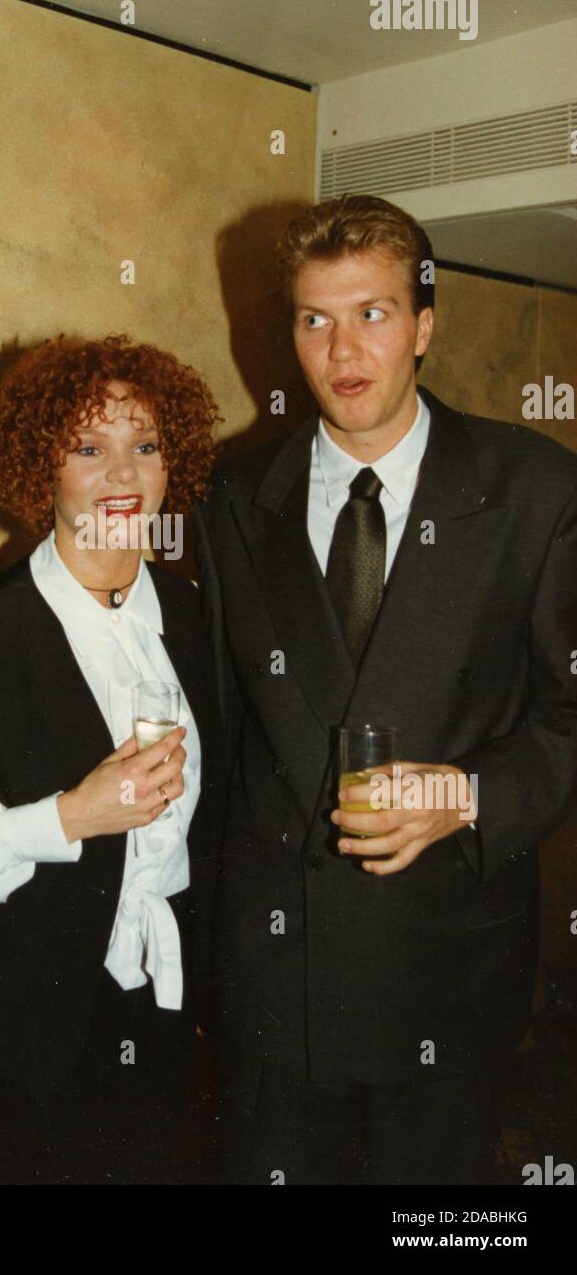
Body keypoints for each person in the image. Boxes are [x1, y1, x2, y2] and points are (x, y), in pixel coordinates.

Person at [192, 193, 577, 1186]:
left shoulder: (536, 489)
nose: (339, 346)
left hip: (447, 975)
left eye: (370, 312)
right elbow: (229, 738)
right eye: (312, 318)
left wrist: (466, 796)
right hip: (275, 981)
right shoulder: (235, 499)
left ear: (422, 328)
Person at [0, 332, 224, 1184]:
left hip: (161, 1017)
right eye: (88, 448)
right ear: (43, 468)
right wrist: (70, 817)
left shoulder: (194, 619)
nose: (121, 475)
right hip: (12, 1039)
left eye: (144, 446)